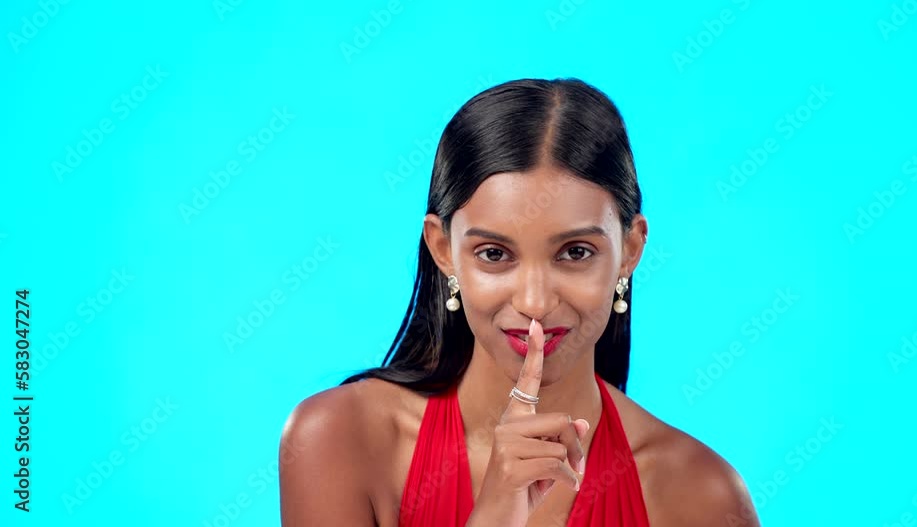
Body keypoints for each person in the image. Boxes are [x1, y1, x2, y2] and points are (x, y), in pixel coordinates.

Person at [278, 78, 761, 527]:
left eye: (575, 253)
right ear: (443, 250)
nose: (535, 302)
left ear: (630, 250)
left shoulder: (700, 494)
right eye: (494, 254)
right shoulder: (340, 440)